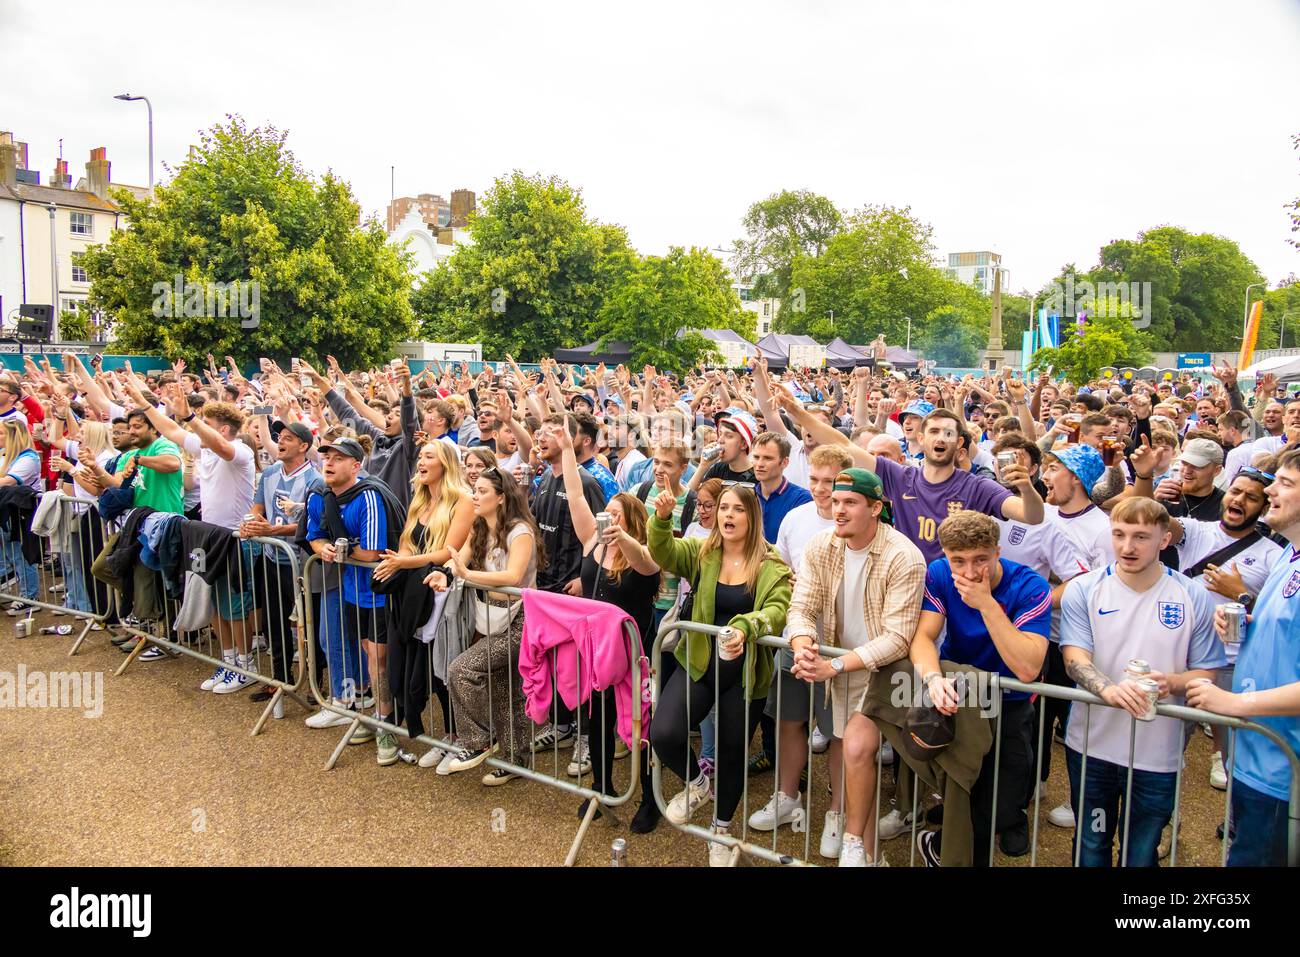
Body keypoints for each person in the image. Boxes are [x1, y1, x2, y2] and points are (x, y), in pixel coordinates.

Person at [1059, 497, 1226, 867]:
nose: (1127, 547)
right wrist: (1109, 690)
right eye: (1119, 534)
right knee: (1091, 844)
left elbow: (1207, 671)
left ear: (1164, 540)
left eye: (1140, 536)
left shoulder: (1193, 594)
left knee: (1140, 853)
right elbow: (1074, 659)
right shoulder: (1084, 589)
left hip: (1157, 754)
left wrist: (1173, 682)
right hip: (1091, 745)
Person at [782, 465, 925, 866]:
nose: (837, 509)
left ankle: (853, 842)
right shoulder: (820, 545)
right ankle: (866, 850)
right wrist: (803, 643)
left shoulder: (904, 556)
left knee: (859, 748)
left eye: (850, 502)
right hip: (840, 666)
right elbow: (802, 606)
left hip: (888, 671)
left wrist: (835, 666)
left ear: (876, 507)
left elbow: (898, 637)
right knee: (851, 752)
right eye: (835, 500)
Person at [647, 482, 791, 866]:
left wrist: (747, 626)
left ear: (752, 515)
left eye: (737, 509)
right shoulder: (702, 550)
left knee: (731, 755)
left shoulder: (772, 563)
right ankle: (698, 786)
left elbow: (778, 609)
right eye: (723, 507)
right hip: (698, 663)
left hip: (745, 678)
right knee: (664, 733)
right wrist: (661, 520)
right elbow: (663, 552)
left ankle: (722, 831)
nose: (727, 514)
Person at [1130, 451, 1281, 791]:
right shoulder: (1198, 531)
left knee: (1232, 750)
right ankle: (1165, 821)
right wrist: (1144, 479)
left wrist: (1241, 594)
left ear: (1263, 508)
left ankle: (1230, 807)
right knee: (1162, 750)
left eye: (1251, 497)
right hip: (1180, 656)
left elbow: (1276, 618)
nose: (1239, 499)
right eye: (1236, 492)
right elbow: (1148, 518)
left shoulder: (1274, 555)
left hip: (1230, 665)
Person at [910, 511, 1052, 866]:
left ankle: (985, 828)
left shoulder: (1030, 585)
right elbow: (923, 637)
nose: (971, 573)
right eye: (959, 561)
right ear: (945, 555)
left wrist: (986, 603)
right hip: (963, 695)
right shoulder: (940, 573)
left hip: (1011, 699)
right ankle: (946, 847)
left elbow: (1028, 666)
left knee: (1004, 800)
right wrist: (932, 678)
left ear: (998, 551)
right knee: (962, 787)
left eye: (980, 561)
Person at [1187, 448, 1300, 866]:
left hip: (1283, 771)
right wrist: (1247, 620)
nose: (1271, 492)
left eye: (1285, 484)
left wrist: (1235, 703)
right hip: (1255, 758)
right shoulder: (1290, 553)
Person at [778, 393, 1045, 564]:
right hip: (906, 585)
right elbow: (845, 447)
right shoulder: (900, 476)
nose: (941, 438)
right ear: (921, 439)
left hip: (954, 593)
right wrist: (798, 413)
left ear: (959, 442)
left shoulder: (977, 487)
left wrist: (1026, 488)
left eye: (949, 434)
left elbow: (1031, 516)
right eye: (934, 431)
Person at [555, 421, 662, 829]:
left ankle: (650, 798)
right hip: (598, 652)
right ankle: (602, 790)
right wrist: (567, 449)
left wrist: (625, 538)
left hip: (636, 654)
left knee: (640, 725)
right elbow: (577, 495)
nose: (607, 519)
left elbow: (646, 567)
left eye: (616, 515)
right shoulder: (592, 541)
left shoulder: (642, 554)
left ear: (632, 521)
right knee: (597, 720)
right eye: (607, 514)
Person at [757, 445, 856, 854]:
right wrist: (789, 585)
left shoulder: (856, 522)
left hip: (841, 648)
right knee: (789, 720)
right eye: (813, 479)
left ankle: (838, 811)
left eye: (829, 482)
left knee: (838, 734)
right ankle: (787, 795)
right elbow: (777, 569)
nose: (819, 489)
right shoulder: (795, 519)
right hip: (794, 640)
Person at [126, 379, 259, 678]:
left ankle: (245, 665)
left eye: (206, 423)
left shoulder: (239, 450)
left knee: (234, 606)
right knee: (212, 603)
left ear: (222, 428)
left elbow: (220, 446)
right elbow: (171, 431)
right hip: (208, 538)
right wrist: (146, 404)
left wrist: (189, 417)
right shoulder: (204, 449)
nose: (196, 428)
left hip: (236, 540)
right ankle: (227, 662)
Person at [429, 466, 541, 784]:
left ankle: (479, 740)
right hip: (490, 615)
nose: (474, 496)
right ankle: (514, 760)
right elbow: (458, 558)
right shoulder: (480, 526)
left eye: (481, 492)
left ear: (501, 498)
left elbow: (513, 577)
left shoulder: (519, 531)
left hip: (521, 620)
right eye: (474, 490)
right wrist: (446, 574)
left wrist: (467, 576)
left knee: (460, 670)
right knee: (504, 689)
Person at [372, 440, 474, 767]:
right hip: (414, 600)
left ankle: (456, 739)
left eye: (429, 456)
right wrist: (396, 562)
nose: (421, 461)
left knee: (444, 671)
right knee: (417, 672)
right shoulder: (419, 498)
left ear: (446, 463)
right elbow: (406, 544)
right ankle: (442, 739)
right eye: (420, 456)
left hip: (445, 599)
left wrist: (405, 563)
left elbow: (449, 552)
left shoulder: (462, 499)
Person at [303, 437, 394, 759]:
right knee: (366, 652)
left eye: (339, 458)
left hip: (379, 592)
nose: (329, 462)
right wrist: (323, 548)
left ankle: (387, 726)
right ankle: (374, 714)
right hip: (352, 590)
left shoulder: (368, 496)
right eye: (326, 455)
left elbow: (370, 552)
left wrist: (341, 550)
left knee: (378, 659)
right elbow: (313, 537)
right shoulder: (318, 495)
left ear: (356, 466)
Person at [240, 421, 323, 714]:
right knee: (272, 620)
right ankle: (279, 676)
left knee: (310, 622)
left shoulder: (315, 480)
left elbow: (311, 524)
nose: (281, 442)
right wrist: (251, 522)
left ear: (303, 446)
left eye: (288, 438)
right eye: (279, 438)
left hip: (301, 562)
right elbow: (258, 506)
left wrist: (275, 532)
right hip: (271, 558)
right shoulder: (271, 473)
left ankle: (316, 682)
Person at [305, 358, 419, 508]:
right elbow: (348, 414)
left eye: (398, 414)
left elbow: (410, 423)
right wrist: (319, 380)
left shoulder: (407, 447)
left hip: (393, 520)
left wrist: (406, 388)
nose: (390, 416)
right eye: (390, 412)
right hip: (365, 510)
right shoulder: (377, 437)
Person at [0, 419, 44, 609]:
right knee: (8, 553)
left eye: (1, 433)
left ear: (13, 436)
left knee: (21, 553)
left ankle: (30, 596)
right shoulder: (4, 456)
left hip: (20, 513)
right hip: (5, 512)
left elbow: (9, 481)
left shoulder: (28, 458)